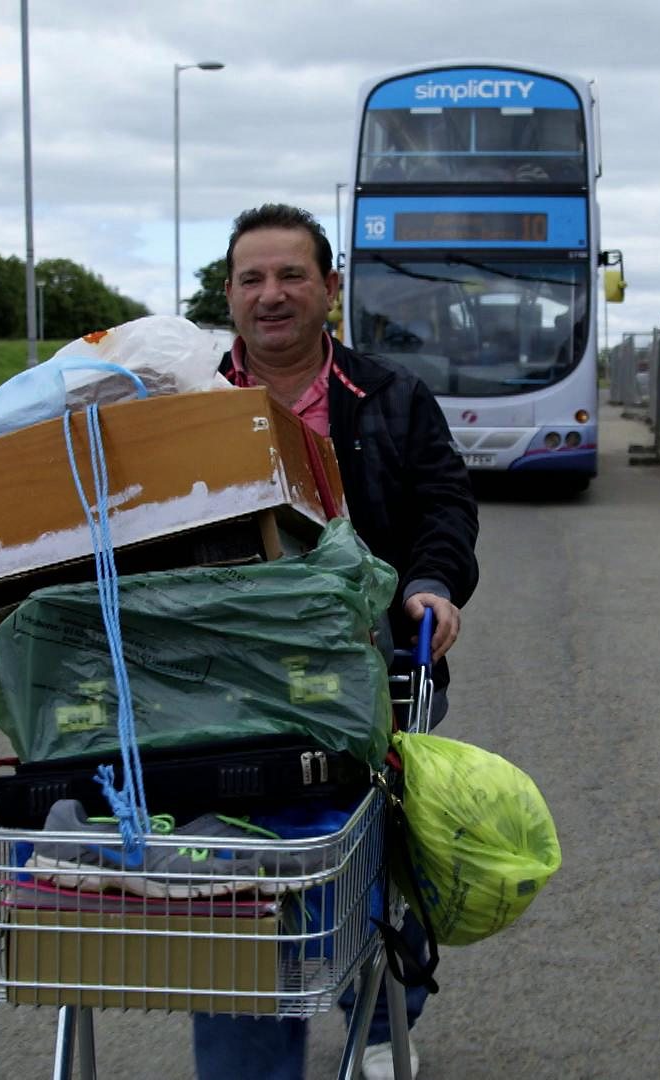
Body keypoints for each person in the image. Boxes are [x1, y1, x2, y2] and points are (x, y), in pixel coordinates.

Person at [198, 202, 480, 1080]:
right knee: (236, 878)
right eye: (252, 278)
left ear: (329, 288)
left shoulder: (391, 397)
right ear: (229, 294)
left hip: (370, 674)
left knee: (378, 865)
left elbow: (445, 506)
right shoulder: (185, 404)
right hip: (225, 686)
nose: (271, 295)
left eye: (291, 275)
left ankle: (386, 1017)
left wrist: (432, 584)